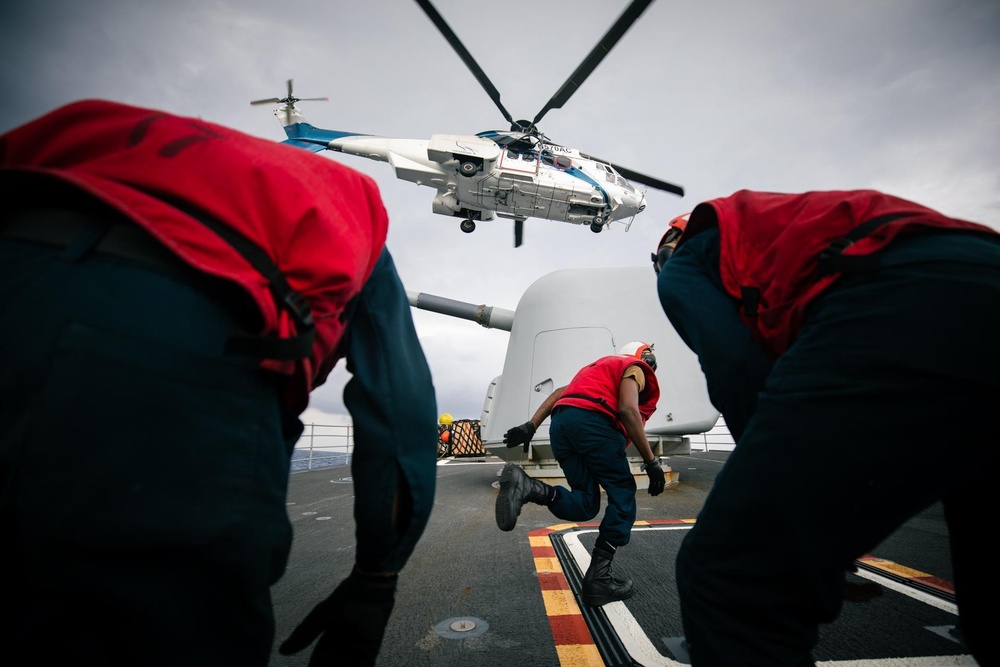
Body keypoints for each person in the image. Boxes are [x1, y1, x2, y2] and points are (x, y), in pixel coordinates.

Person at [0, 100, 439, 667]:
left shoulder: (83, 133)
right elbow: (401, 410)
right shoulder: (349, 210)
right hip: (191, 381)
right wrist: (377, 578)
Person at [653, 189, 1000, 665]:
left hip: (899, 302)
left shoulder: (683, 260)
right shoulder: (785, 228)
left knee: (737, 576)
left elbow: (735, 366)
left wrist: (771, 489)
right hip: (979, 268)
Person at [496, 341, 667, 607]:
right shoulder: (634, 368)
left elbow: (562, 393)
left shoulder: (594, 370)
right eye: (649, 356)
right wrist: (652, 462)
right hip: (593, 423)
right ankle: (599, 579)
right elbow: (628, 410)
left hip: (562, 426)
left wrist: (531, 425)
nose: (652, 362)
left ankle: (529, 487)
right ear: (641, 354)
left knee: (586, 504)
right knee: (623, 494)